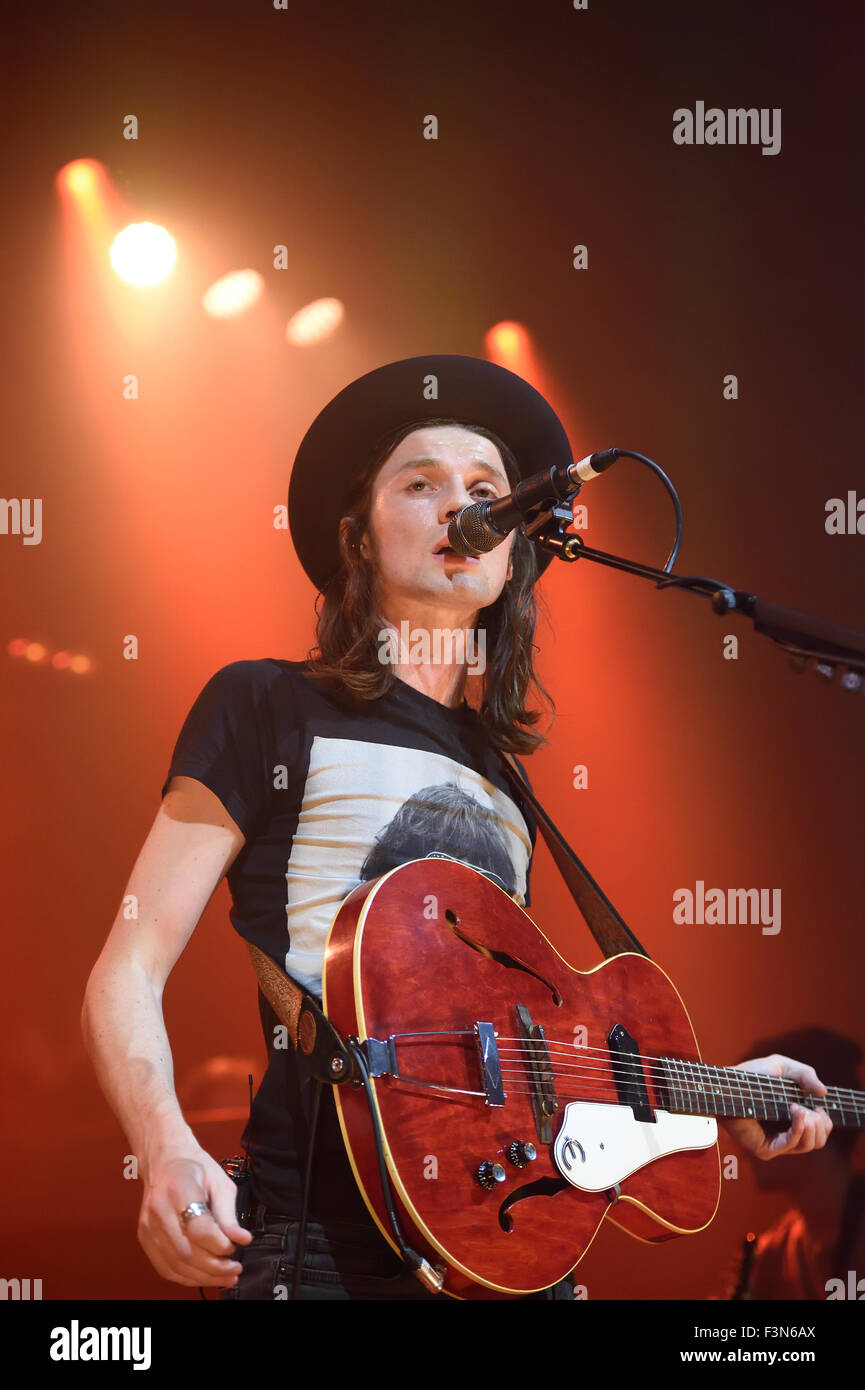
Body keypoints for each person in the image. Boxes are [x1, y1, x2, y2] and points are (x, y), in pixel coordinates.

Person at [81, 354, 834, 1301]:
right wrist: (164, 1147)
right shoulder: (264, 704)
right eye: (421, 484)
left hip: (503, 1246)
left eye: (486, 492)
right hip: (323, 1242)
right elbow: (126, 969)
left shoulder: (504, 778)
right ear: (356, 537)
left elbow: (525, 1052)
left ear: (516, 548)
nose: (460, 509)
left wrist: (721, 1092)